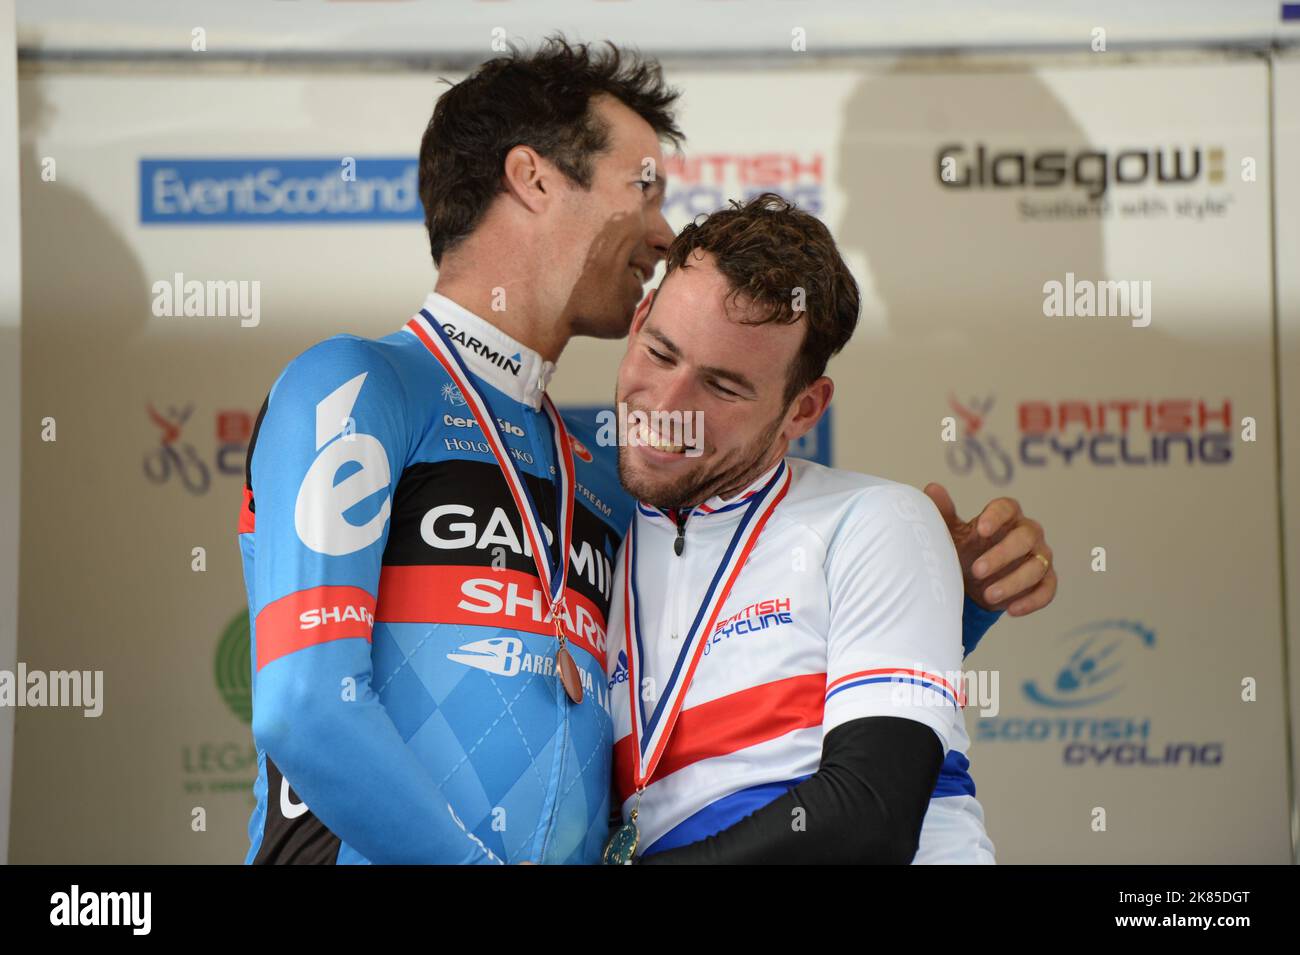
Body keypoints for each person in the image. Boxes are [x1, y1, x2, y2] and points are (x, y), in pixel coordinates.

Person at [237, 38, 1054, 865]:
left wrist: (947, 595)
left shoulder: (604, 479)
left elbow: (733, 660)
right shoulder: (355, 384)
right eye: (643, 189)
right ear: (534, 179)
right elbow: (307, 706)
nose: (663, 232)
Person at [605, 193, 1050, 864]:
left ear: (802, 409)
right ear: (639, 320)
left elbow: (867, 818)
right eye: (661, 353)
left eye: (723, 388)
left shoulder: (878, 522)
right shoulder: (599, 538)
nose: (671, 408)